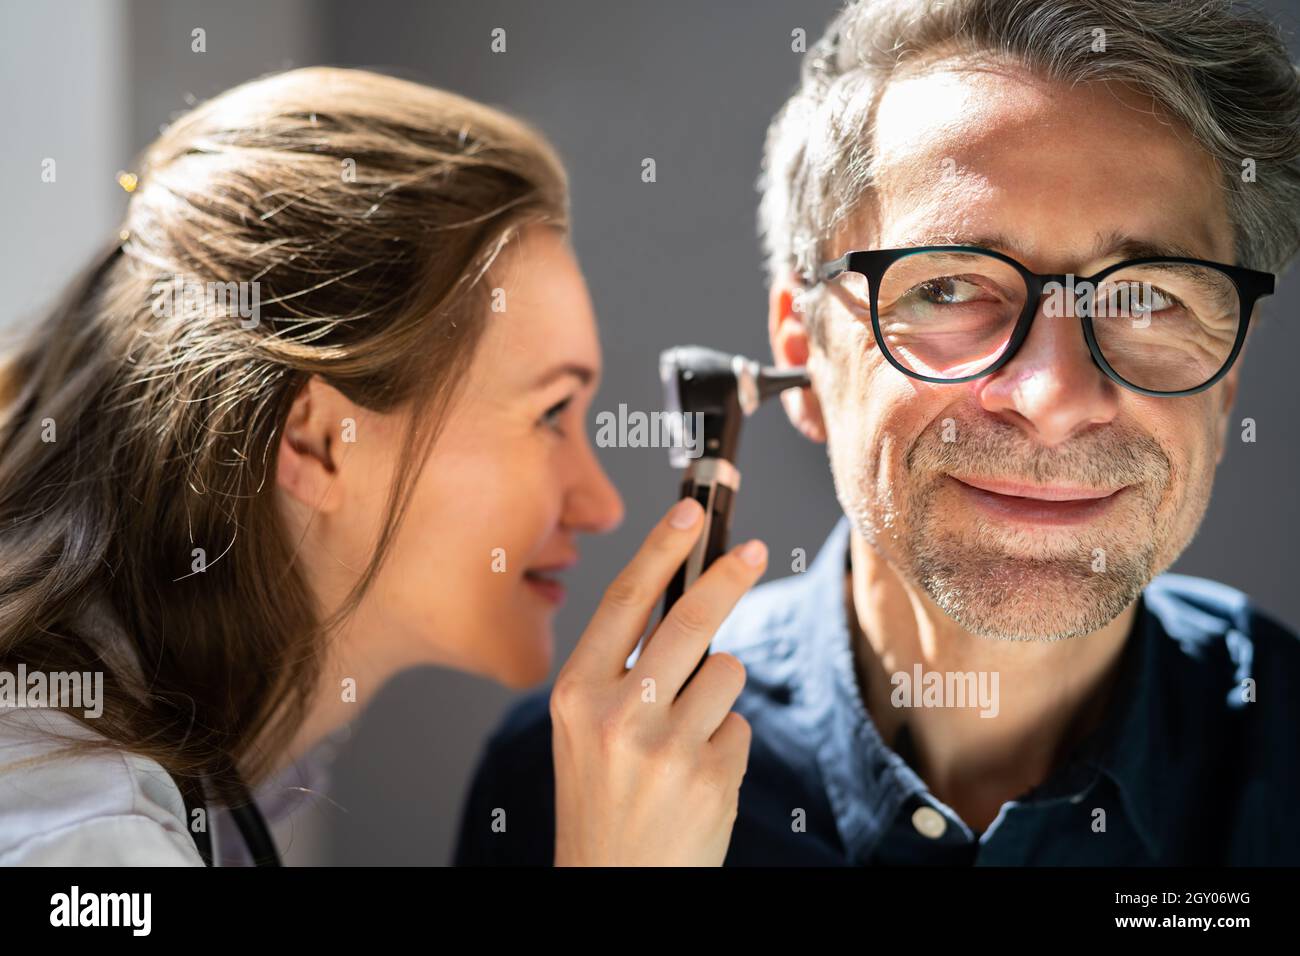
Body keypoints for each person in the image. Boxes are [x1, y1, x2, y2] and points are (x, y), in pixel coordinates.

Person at [453, 0, 1300, 866]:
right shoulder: (564, 791)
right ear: (802, 350)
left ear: (1227, 377)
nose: (1051, 396)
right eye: (948, 289)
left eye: (1149, 297)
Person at [0, 66, 768, 866]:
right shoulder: (89, 841)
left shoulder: (226, 771)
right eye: (550, 414)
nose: (601, 504)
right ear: (319, 443)